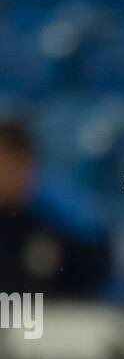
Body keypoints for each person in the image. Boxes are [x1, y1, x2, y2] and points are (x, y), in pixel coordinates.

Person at [0, 119, 112, 296]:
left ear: (22, 162)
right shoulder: (8, 213)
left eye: (3, 163)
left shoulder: (60, 211)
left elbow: (97, 266)